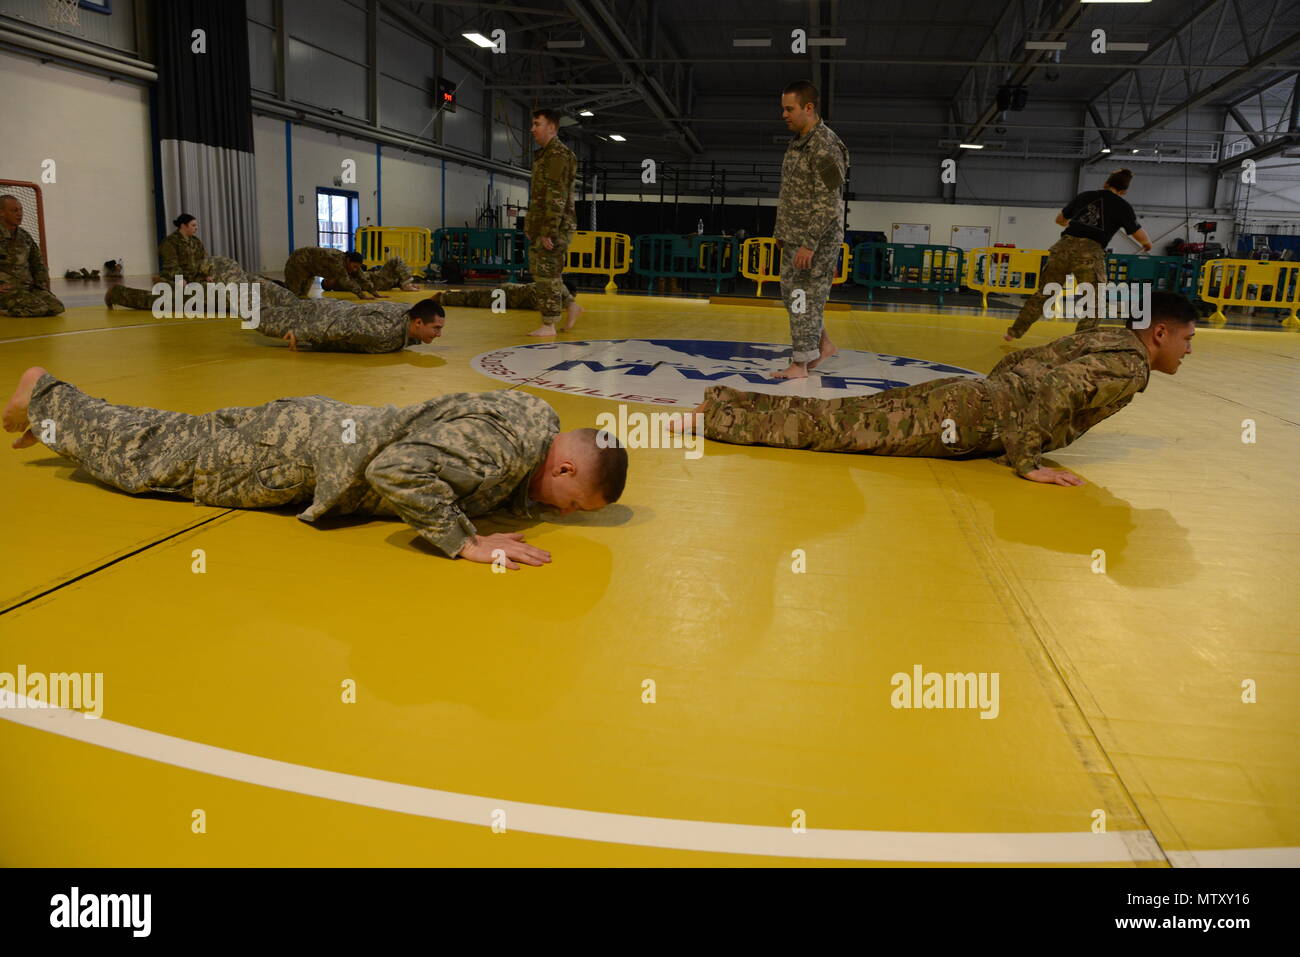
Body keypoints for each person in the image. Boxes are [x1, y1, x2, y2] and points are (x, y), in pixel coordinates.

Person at [4, 369, 628, 569]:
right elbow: (398, 470)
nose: (557, 512)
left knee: (172, 437)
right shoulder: (501, 447)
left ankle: (56, 415)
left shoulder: (537, 419)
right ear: (566, 469)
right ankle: (47, 395)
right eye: (569, 504)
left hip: (311, 431)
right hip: (290, 452)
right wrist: (464, 541)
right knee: (146, 462)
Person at [688, 292, 1197, 486]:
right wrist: (1027, 460)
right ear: (1160, 333)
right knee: (836, 429)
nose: (1188, 350)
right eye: (1186, 339)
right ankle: (716, 417)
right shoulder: (1131, 366)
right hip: (971, 418)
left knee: (842, 416)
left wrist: (998, 395)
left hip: (970, 395)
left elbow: (1027, 360)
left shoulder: (1107, 337)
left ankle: (720, 404)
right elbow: (1058, 389)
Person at [1005, 168, 1154, 341]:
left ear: (1106, 183)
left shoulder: (1084, 196)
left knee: (1045, 292)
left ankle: (1013, 332)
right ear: (1124, 191)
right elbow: (1136, 232)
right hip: (1089, 254)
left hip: (1062, 248)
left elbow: (1060, 220)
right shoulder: (1123, 206)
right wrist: (1147, 244)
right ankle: (1080, 343)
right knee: (1094, 302)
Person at [202, 256, 443, 352]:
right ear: (418, 322)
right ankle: (221, 266)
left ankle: (225, 271)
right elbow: (340, 329)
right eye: (436, 329)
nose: (439, 334)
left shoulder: (404, 313)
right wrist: (300, 333)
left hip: (317, 307)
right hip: (311, 319)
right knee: (253, 312)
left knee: (271, 291)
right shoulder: (383, 332)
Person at [771, 80, 848, 379]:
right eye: (783, 109)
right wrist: (783, 232)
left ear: (809, 107)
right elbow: (793, 193)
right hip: (795, 237)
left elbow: (829, 202)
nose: (784, 115)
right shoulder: (799, 142)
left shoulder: (825, 146)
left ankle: (799, 364)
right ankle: (823, 344)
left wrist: (809, 243)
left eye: (789, 109)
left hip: (814, 241)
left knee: (803, 298)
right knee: (795, 295)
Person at [523, 109, 578, 337]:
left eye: (537, 124)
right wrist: (532, 226)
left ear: (552, 128)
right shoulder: (545, 155)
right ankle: (572, 306)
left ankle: (549, 324)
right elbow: (539, 196)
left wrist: (548, 231)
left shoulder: (557, 155)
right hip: (544, 223)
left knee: (547, 273)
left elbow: (557, 196)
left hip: (554, 225)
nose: (532, 129)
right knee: (542, 270)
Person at [105, 213, 211, 310]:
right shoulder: (170, 242)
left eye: (196, 225)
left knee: (195, 301)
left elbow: (203, 260)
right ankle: (116, 293)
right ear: (183, 225)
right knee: (162, 302)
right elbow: (171, 264)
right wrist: (180, 280)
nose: (196, 228)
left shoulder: (196, 242)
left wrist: (206, 275)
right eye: (193, 225)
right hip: (172, 281)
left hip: (192, 281)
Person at [0, 194, 64, 317]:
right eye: (14, 210)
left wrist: (40, 284)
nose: (19, 214)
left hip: (26, 287)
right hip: (5, 291)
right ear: (1, 213)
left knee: (56, 307)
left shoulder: (24, 236)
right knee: (38, 308)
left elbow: (37, 262)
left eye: (20, 210)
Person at [433, 280, 580, 328]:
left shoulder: (553, 293)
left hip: (509, 296)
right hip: (507, 295)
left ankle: (445, 297)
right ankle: (443, 297)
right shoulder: (556, 289)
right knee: (474, 299)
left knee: (475, 298)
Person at [283, 248, 384, 300]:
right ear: (348, 260)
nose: (355, 270)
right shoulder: (337, 261)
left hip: (310, 270)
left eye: (357, 267)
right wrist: (362, 295)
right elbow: (346, 282)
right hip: (298, 262)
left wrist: (374, 292)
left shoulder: (352, 262)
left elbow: (362, 277)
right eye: (354, 267)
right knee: (292, 295)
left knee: (303, 296)